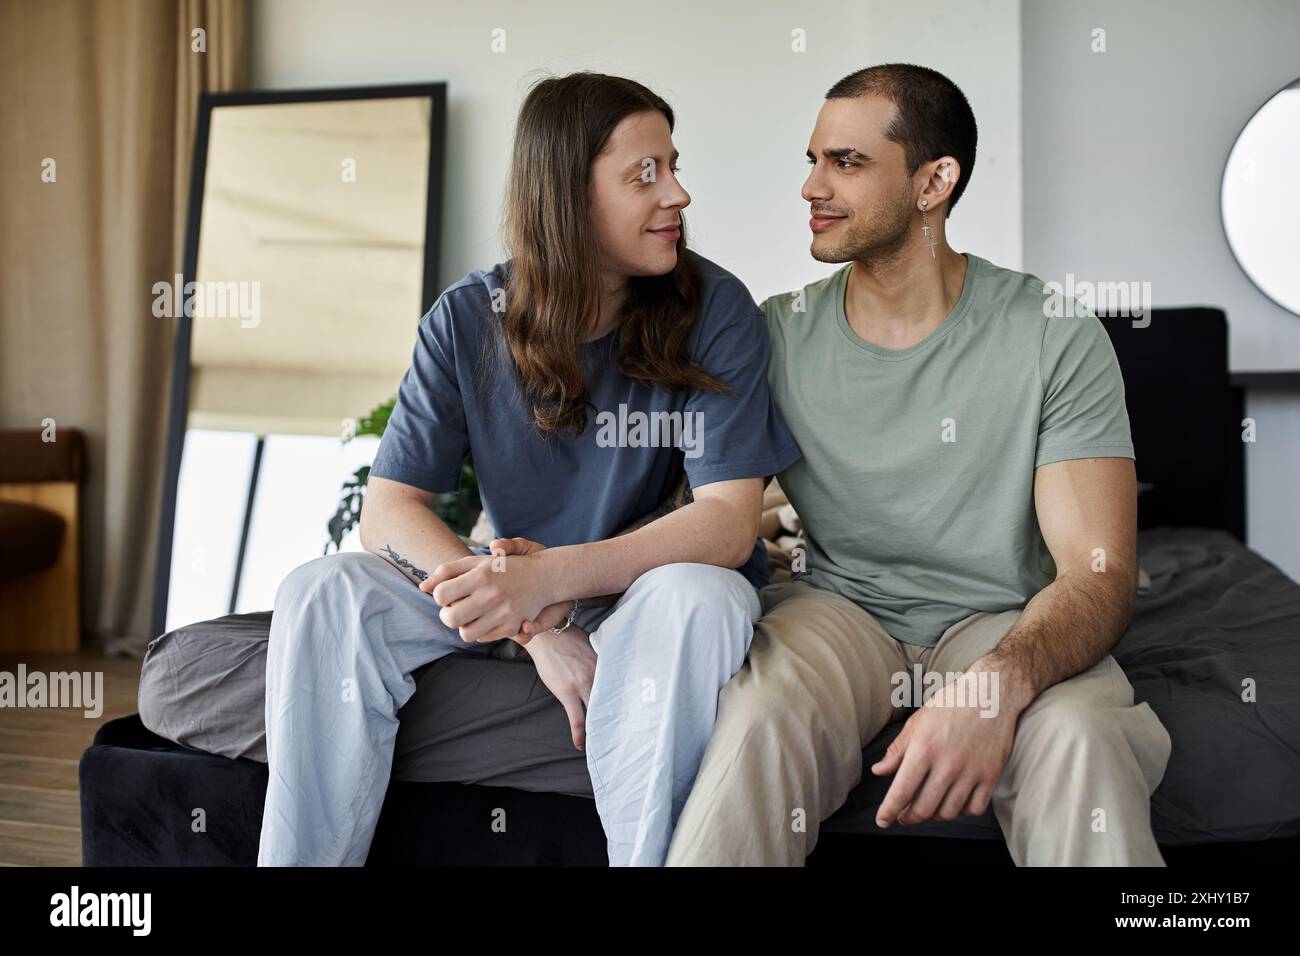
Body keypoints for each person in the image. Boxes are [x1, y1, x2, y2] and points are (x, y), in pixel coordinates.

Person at [257, 71, 800, 867]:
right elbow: (388, 511)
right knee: (324, 590)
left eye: (674, 165)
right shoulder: (467, 319)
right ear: (568, 198)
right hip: (520, 586)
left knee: (699, 598)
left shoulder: (716, 308)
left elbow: (724, 523)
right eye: (645, 174)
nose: (678, 193)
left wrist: (554, 585)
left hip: (645, 586)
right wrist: (530, 621)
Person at [664, 63, 1172, 866]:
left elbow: (1098, 573)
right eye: (812, 160)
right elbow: (706, 508)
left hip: (1004, 617)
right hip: (842, 613)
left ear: (935, 182)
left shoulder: (1053, 333)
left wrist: (996, 690)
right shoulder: (776, 335)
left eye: (847, 163)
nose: (812, 188)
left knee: (1083, 736)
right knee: (755, 724)